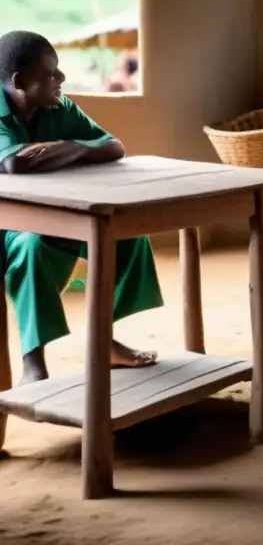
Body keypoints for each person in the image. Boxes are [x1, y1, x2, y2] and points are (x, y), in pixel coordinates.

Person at [0, 31, 161, 384]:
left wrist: (69, 145)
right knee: (30, 246)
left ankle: (103, 341)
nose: (61, 79)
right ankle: (33, 362)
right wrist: (77, 150)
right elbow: (13, 165)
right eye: (50, 74)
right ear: (19, 82)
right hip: (8, 230)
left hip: (55, 219)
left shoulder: (59, 105)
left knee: (127, 233)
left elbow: (113, 146)